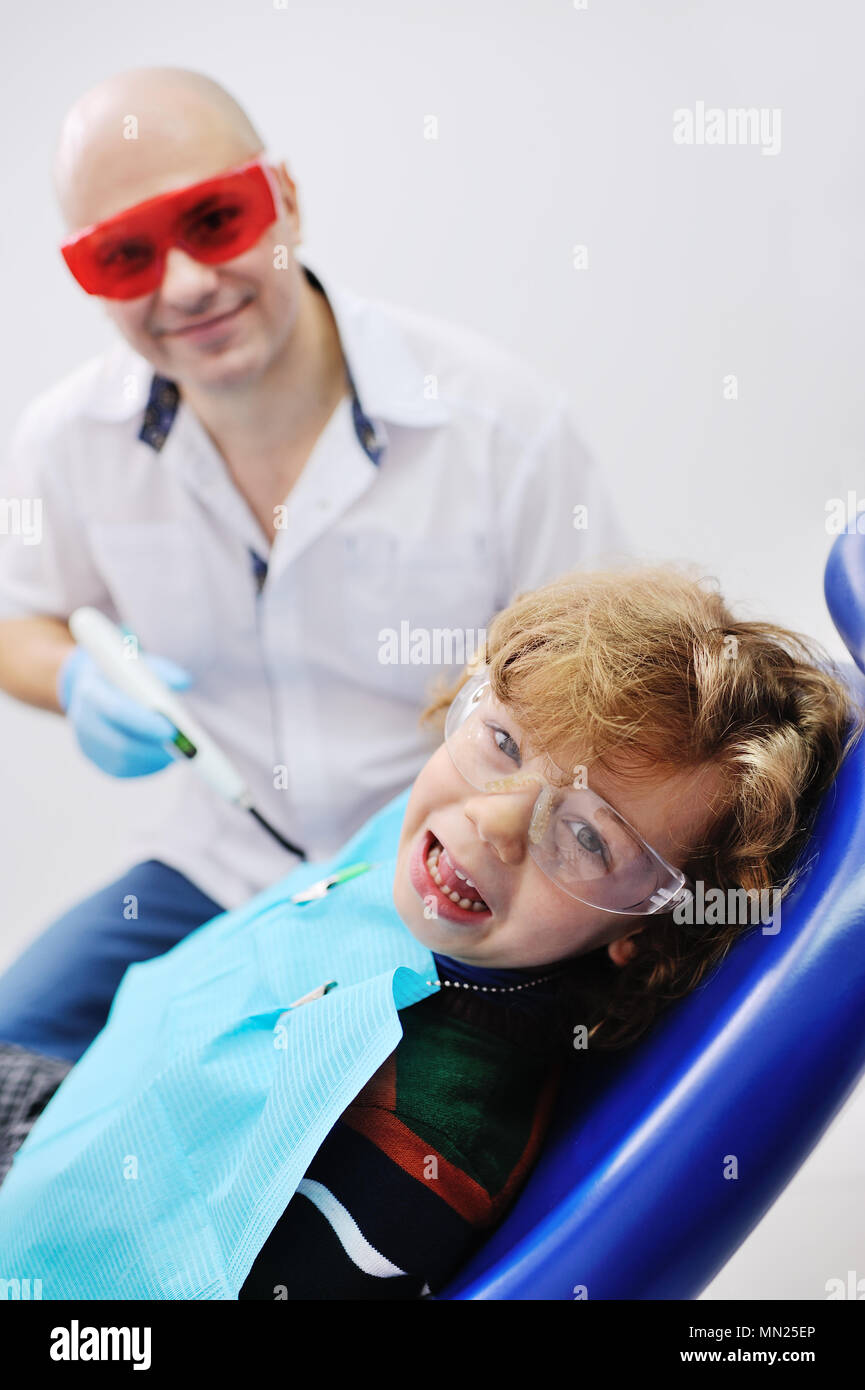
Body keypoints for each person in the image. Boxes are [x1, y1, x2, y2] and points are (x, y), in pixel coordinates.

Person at [0, 563, 858, 1299]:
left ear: (648, 933)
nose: (493, 821)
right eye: (502, 740)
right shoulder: (432, 868)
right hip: (77, 1122)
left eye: (588, 836)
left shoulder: (415, 1153)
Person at [0, 66, 629, 1064]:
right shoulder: (69, 439)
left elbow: (610, 701)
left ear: (284, 196)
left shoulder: (499, 428)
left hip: (438, 867)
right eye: (125, 256)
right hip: (213, 866)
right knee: (15, 1047)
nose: (186, 285)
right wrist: (76, 678)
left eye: (214, 218)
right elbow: (22, 621)